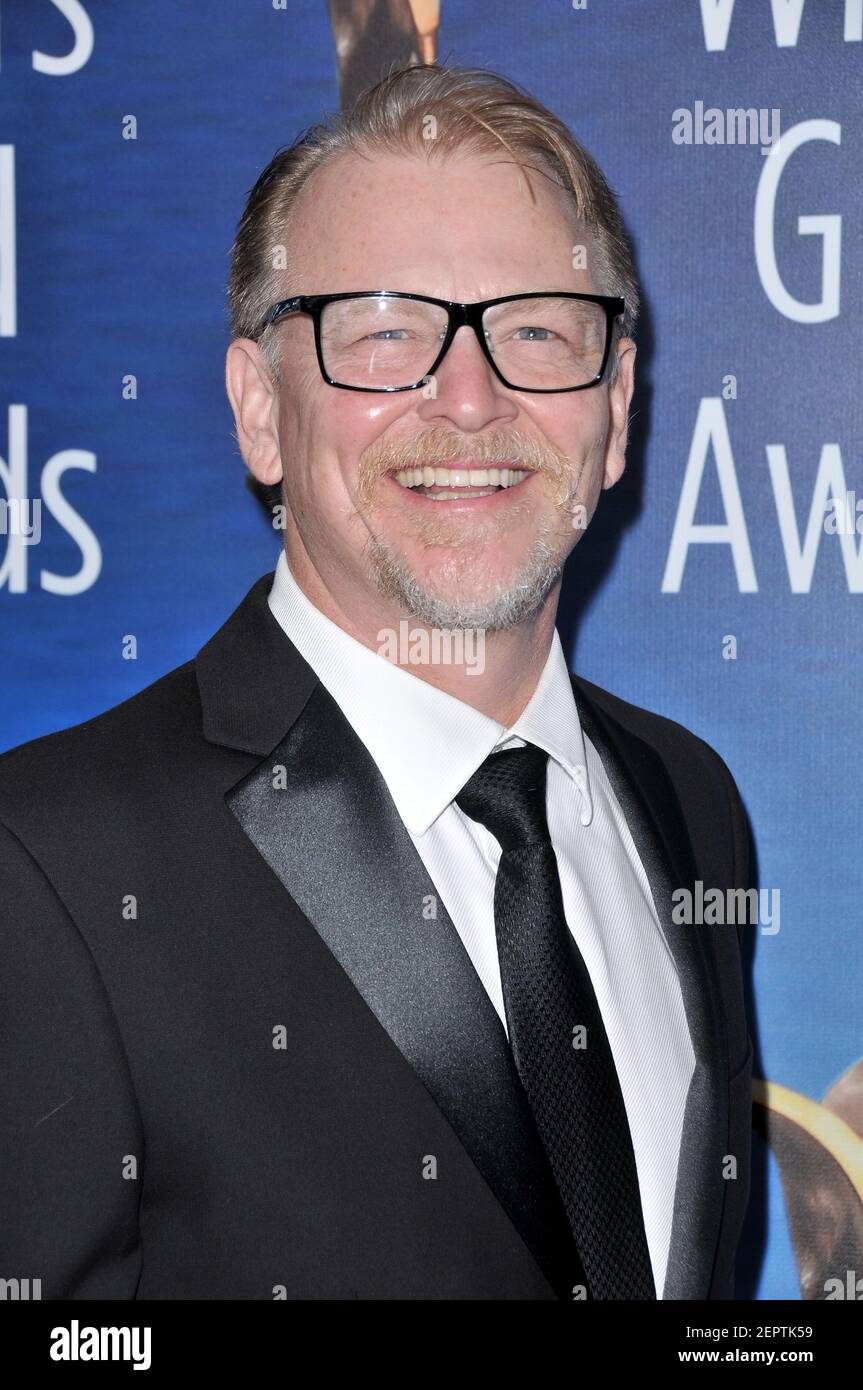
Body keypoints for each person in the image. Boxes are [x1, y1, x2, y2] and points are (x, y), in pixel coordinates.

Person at [0, 64, 753, 1300]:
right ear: (258, 409)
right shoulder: (48, 867)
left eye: (535, 328)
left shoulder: (688, 801)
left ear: (614, 412)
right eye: (385, 331)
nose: (469, 399)